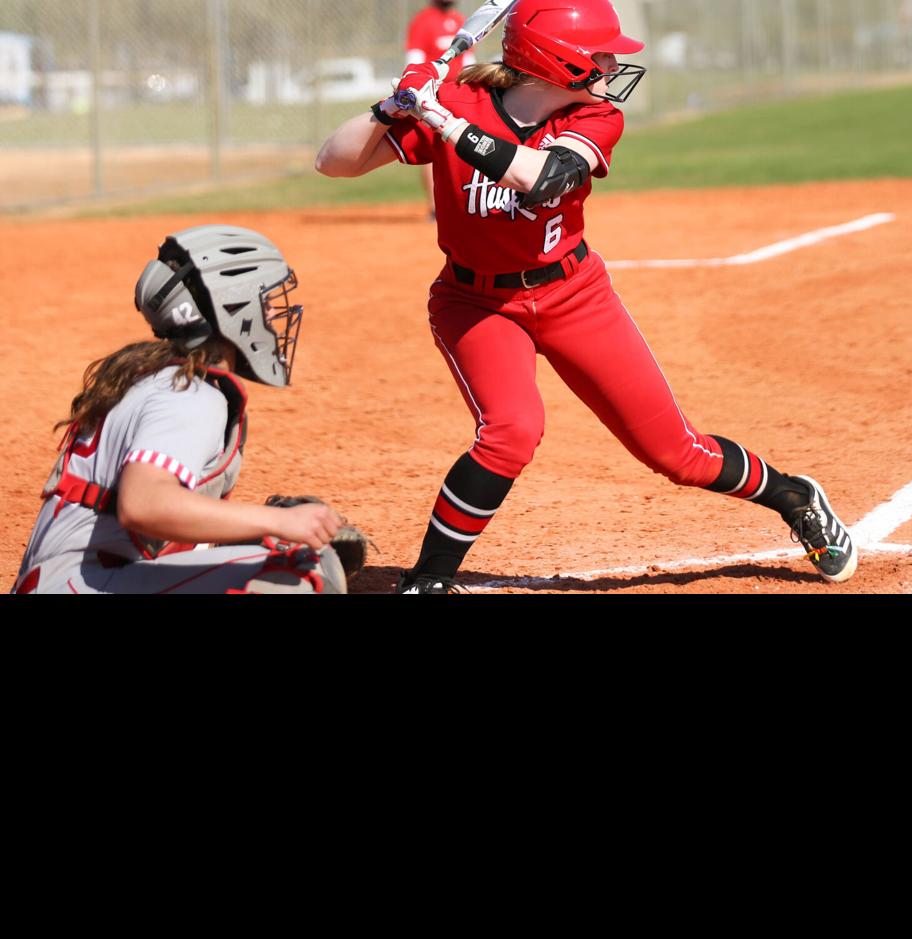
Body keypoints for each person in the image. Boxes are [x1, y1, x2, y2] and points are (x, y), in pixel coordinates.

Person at [313, 0, 856, 594]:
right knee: (510, 432)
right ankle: (432, 579)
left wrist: (441, 122)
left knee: (679, 455)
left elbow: (541, 178)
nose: (610, 63)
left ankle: (792, 494)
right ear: (556, 59)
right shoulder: (459, 101)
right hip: (476, 304)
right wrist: (391, 106)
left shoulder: (594, 117)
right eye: (600, 53)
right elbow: (333, 163)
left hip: (575, 296)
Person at [11, 225, 352, 594]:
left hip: (81, 576)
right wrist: (275, 521)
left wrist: (261, 528)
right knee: (300, 577)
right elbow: (144, 504)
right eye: (264, 299)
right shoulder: (190, 397)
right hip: (83, 583)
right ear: (232, 307)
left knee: (295, 547)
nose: (273, 312)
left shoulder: (161, 378)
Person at [405, 1, 466, 219]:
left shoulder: (459, 20)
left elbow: (468, 59)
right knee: (432, 148)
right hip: (433, 95)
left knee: (463, 145)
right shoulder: (424, 20)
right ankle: (435, 208)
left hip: (460, 93)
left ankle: (462, 202)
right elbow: (414, 60)